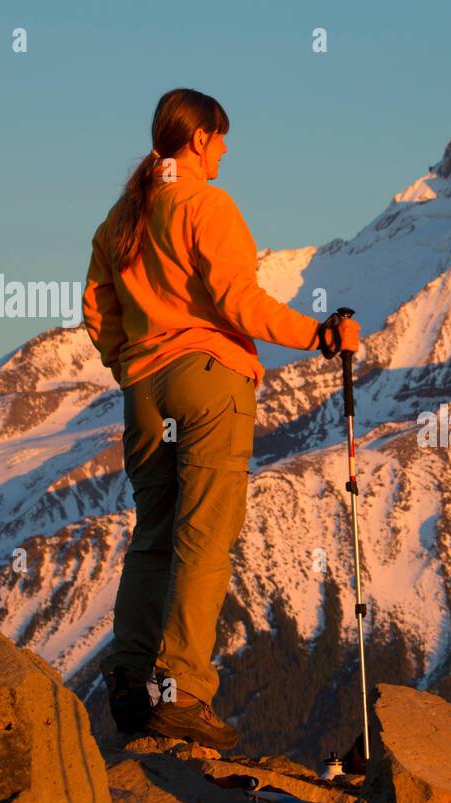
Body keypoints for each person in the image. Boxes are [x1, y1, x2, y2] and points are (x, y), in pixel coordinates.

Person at [81, 88, 359, 750]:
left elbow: (97, 306)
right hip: (210, 379)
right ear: (199, 137)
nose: (227, 149)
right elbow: (239, 302)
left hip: (146, 393)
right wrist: (318, 335)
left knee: (152, 535)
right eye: (222, 137)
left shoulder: (122, 216)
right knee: (202, 539)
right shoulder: (206, 204)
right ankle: (181, 691)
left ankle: (127, 677)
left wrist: (128, 364)